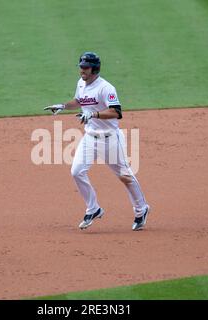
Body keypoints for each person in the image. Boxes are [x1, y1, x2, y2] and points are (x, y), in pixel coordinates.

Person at [44, 52, 150, 231]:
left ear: (94, 69)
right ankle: (93, 208)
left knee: (124, 176)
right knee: (76, 171)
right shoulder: (81, 84)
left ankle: (141, 209)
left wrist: (93, 114)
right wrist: (62, 106)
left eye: (85, 67)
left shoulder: (106, 88)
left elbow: (117, 112)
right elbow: (79, 100)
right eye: (81, 66)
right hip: (90, 137)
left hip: (110, 139)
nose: (81, 70)